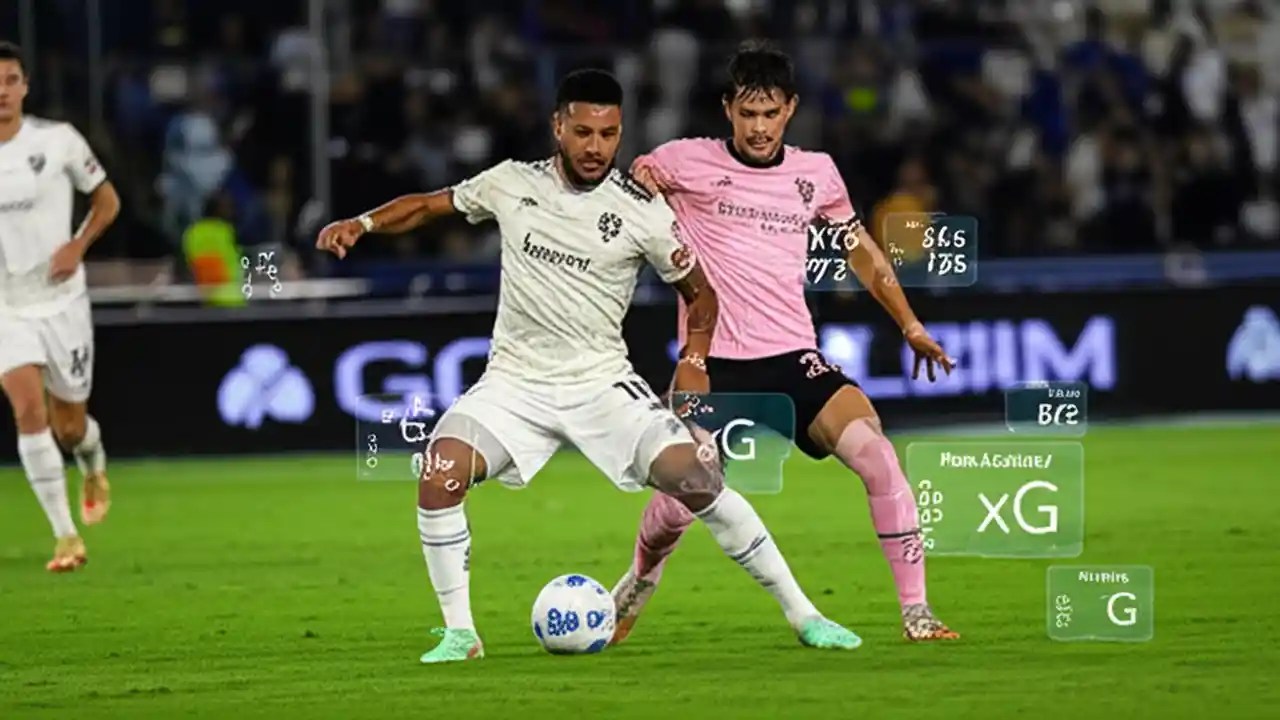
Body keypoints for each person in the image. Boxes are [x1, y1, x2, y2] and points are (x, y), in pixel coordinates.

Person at [315, 69, 862, 664]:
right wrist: (362, 224)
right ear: (558, 127)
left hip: (601, 383)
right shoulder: (510, 184)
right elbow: (428, 205)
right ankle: (460, 634)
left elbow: (701, 295)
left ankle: (804, 613)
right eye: (583, 131)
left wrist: (696, 357)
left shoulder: (641, 211)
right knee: (440, 472)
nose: (596, 146)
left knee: (699, 477)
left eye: (608, 133)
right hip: (514, 383)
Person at [611, 43, 961, 643]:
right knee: (682, 497)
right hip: (713, 363)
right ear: (728, 110)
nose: (759, 127)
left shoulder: (816, 174)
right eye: (748, 114)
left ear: (790, 110)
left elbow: (862, 254)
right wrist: (636, 185)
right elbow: (629, 189)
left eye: (770, 114)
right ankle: (639, 580)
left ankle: (916, 612)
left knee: (877, 455)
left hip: (793, 359)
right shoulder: (682, 161)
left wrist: (910, 325)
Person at [0, 41, 119, 571]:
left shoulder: (58, 141)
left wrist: (77, 245)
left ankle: (92, 458)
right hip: (7, 306)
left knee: (69, 426)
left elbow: (107, 200)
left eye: (9, 81)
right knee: (28, 409)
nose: (1, 93)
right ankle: (66, 536)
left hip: (61, 300)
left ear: (25, 86)